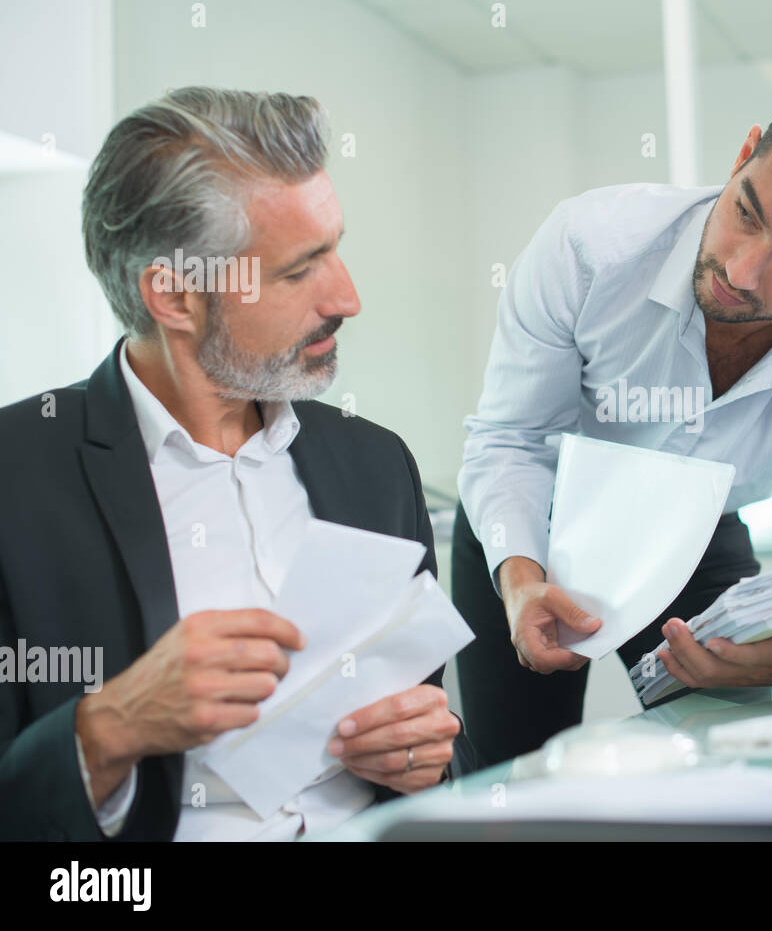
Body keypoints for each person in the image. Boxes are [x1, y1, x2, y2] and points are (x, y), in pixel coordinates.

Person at [0, 87, 470, 841]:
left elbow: (429, 735)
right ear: (176, 297)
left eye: (336, 246)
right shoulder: (17, 477)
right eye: (298, 271)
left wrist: (423, 756)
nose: (347, 296)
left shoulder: (377, 465)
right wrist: (110, 728)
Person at [455, 73, 772, 766]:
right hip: (535, 513)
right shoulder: (589, 247)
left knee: (730, 766)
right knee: (507, 782)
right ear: (744, 154)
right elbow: (511, 440)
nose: (741, 273)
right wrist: (522, 574)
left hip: (696, 532)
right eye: (747, 212)